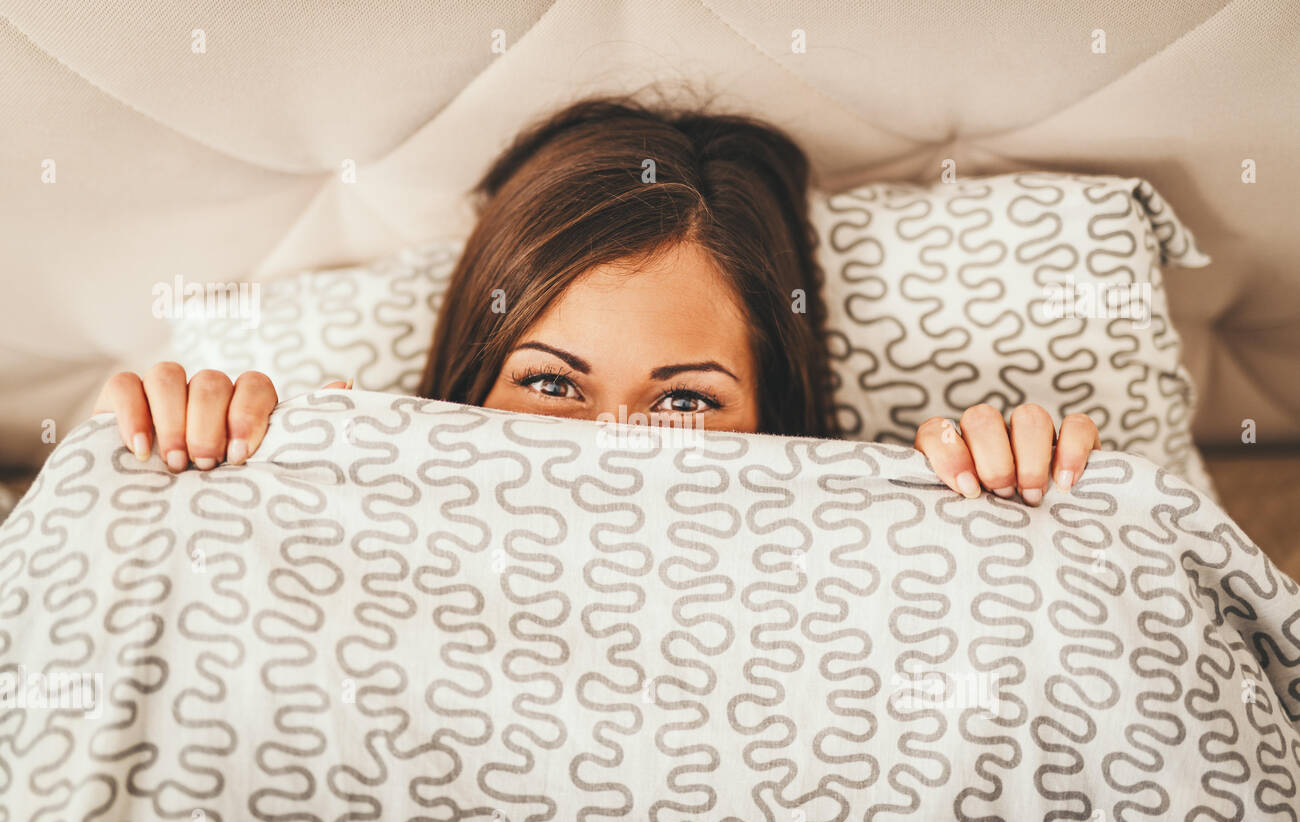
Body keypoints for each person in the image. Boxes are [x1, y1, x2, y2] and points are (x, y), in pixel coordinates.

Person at [93, 98, 1098, 504]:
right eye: (550, 383)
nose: (605, 450)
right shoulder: (340, 479)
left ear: (777, 420)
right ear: (465, 385)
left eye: (687, 402)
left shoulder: (873, 524)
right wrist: (198, 477)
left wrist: (1011, 518)